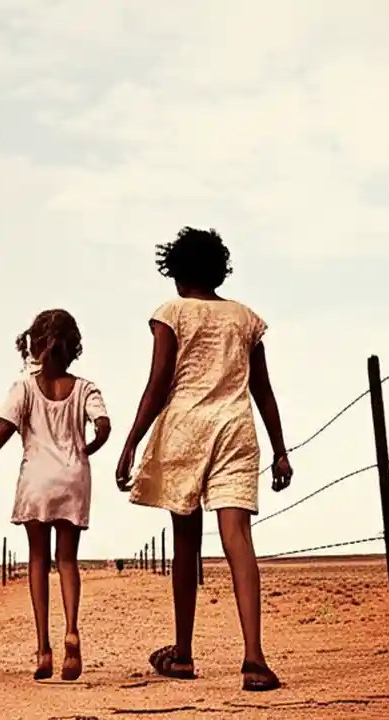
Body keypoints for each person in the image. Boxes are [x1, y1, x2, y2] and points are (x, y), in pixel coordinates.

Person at [115, 227, 294, 693]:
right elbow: (264, 391)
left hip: (185, 429)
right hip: (236, 429)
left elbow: (158, 385)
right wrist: (280, 450)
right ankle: (254, 657)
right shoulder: (245, 318)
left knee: (185, 545)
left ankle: (183, 654)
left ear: (175, 271)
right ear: (219, 269)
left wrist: (132, 440)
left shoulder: (171, 313)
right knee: (238, 539)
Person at [0, 309, 110, 681]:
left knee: (37, 560)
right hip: (73, 478)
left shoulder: (25, 387)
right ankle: (72, 632)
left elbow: (3, 430)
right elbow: (104, 425)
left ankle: (43, 647)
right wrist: (89, 448)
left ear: (34, 345)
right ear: (73, 346)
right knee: (67, 561)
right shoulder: (85, 388)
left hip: (36, 481)